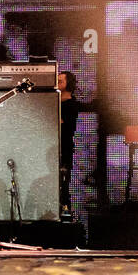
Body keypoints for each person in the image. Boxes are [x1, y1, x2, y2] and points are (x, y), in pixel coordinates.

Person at [57, 70, 79, 214]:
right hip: (51, 147)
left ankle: (65, 210)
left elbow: (66, 125)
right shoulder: (52, 101)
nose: (57, 83)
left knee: (63, 183)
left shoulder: (71, 104)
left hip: (64, 148)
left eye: (60, 81)